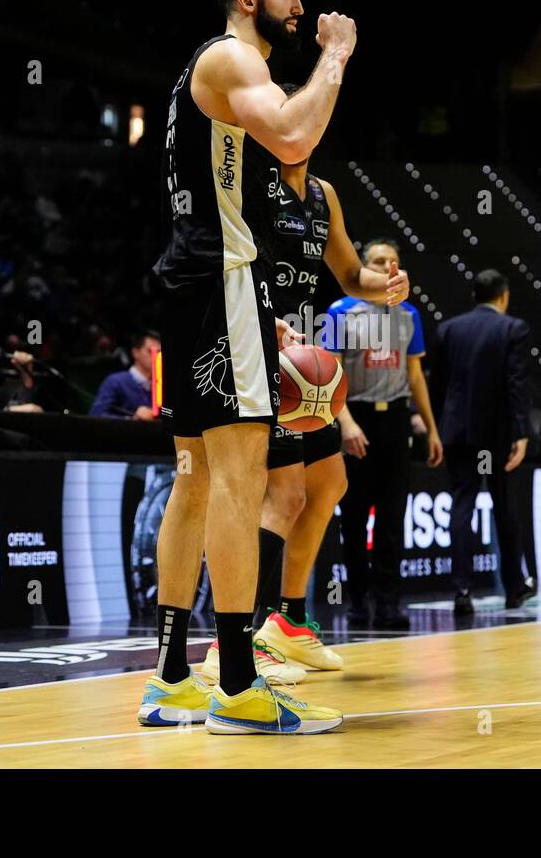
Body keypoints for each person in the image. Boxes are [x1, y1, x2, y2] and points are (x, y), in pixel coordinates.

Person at [137, 0, 355, 734]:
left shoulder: (217, 68)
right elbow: (295, 140)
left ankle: (169, 676)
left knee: (194, 479)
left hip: (194, 283)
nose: (301, 5)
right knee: (238, 477)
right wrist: (334, 56)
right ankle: (235, 682)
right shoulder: (232, 57)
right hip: (220, 278)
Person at [205, 109, 411, 680]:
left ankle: (290, 623)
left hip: (304, 363)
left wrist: (386, 287)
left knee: (330, 482)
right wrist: (263, 321)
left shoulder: (324, 195)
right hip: (255, 351)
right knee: (285, 494)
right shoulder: (247, 185)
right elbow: (226, 268)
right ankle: (237, 638)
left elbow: (349, 274)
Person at [327, 237, 443, 629]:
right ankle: (358, 602)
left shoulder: (409, 314)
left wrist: (431, 428)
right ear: (362, 266)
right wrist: (346, 424)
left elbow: (415, 376)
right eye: (378, 261)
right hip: (357, 417)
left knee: (393, 518)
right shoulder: (340, 312)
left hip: (395, 421)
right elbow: (330, 374)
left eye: (393, 262)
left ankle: (390, 602)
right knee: (355, 517)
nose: (387, 268)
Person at [432, 269, 536, 616]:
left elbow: (439, 386)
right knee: (505, 509)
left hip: (458, 434)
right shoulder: (513, 328)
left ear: (475, 296)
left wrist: (436, 428)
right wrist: (521, 432)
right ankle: (514, 588)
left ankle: (462, 591)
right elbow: (516, 385)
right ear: (503, 296)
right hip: (497, 438)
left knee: (462, 507)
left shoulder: (448, 329)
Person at [90, 330, 160, 420]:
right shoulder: (115, 382)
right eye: (151, 351)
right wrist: (131, 419)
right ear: (135, 353)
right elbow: (96, 415)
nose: (157, 356)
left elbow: (169, 413)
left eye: (159, 352)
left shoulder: (161, 384)